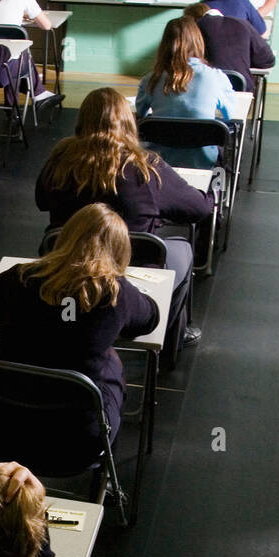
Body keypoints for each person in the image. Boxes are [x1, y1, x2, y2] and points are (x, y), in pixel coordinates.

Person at [0, 205, 159, 471]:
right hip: (76, 444)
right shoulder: (116, 293)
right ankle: (106, 482)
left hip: (1, 434)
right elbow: (151, 318)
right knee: (111, 363)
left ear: (65, 237)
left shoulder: (19, 277)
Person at [35, 87, 211, 365]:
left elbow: (41, 201)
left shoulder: (60, 158)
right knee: (183, 251)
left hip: (64, 262)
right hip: (130, 269)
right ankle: (170, 336)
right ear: (128, 122)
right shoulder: (146, 167)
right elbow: (198, 210)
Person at [135, 16, 233, 168]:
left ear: (163, 45)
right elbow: (230, 116)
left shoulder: (151, 79)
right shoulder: (216, 77)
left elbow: (141, 112)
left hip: (159, 163)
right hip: (204, 161)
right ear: (198, 42)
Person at [184, 1, 275, 94]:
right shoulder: (242, 24)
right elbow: (267, 60)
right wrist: (243, 59)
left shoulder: (192, 29)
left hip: (203, 88)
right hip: (240, 88)